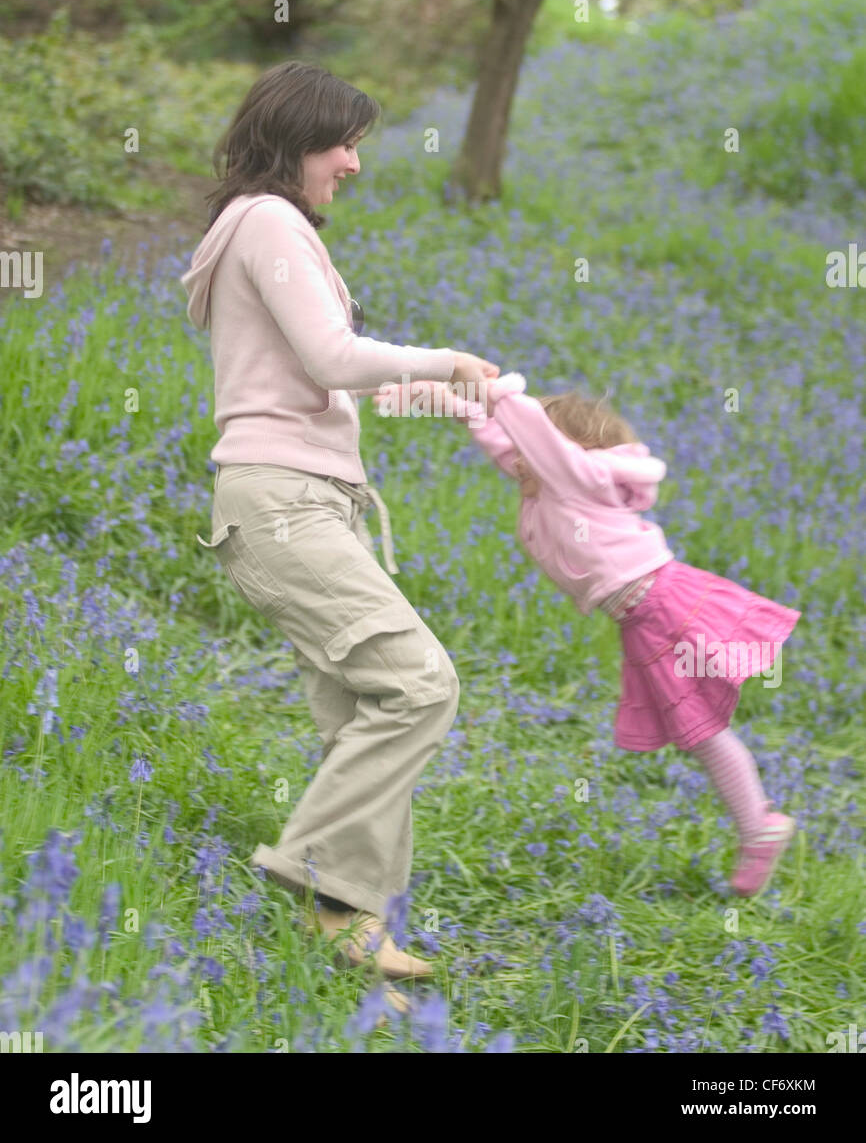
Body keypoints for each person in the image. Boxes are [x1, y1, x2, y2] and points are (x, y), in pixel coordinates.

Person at [180, 60, 499, 988]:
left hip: (300, 501)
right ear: (296, 142)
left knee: (363, 707)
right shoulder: (270, 221)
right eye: (345, 143)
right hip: (282, 504)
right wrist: (442, 354)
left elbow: (316, 376)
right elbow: (332, 354)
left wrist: (464, 393)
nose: (354, 164)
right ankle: (310, 865)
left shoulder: (257, 229)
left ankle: (347, 936)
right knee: (418, 681)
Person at [376, 373, 800, 898]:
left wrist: (503, 393)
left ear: (562, 451)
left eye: (529, 452)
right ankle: (758, 826)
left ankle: (759, 828)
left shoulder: (578, 477)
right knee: (702, 733)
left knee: (703, 732)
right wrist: (439, 400)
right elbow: (500, 438)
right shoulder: (550, 477)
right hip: (643, 617)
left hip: (664, 605)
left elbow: (536, 443)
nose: (515, 464)